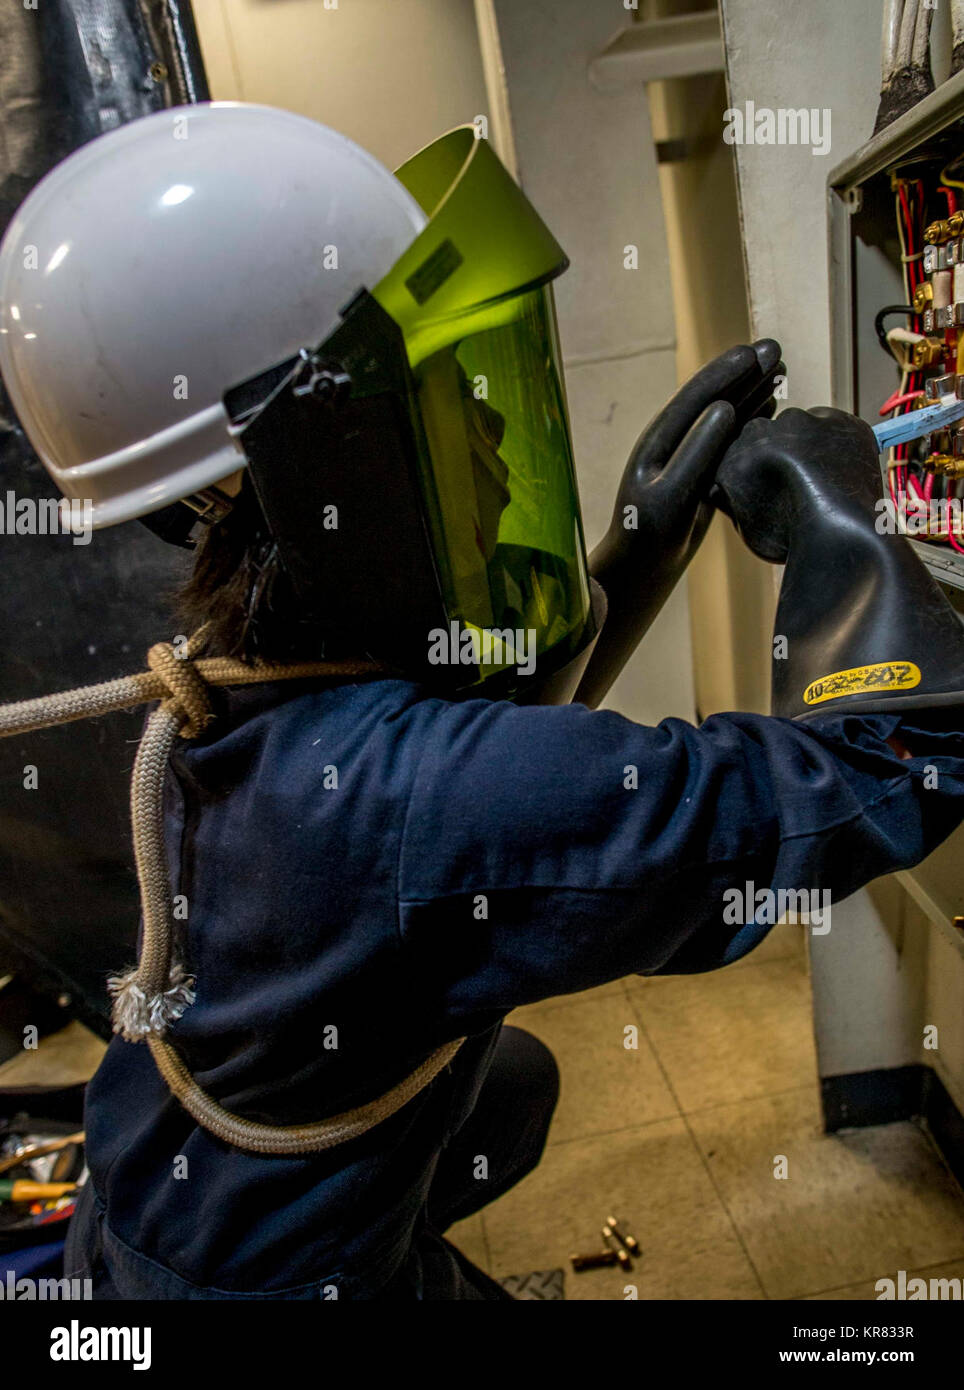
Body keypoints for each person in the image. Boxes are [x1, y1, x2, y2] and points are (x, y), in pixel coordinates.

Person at [1, 103, 963, 1301]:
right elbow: (901, 754)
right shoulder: (405, 800)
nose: (497, 415)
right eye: (450, 387)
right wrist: (846, 521)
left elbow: (460, 790)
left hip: (154, 1233)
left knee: (507, 1086)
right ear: (335, 452)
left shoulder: (236, 690)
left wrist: (634, 556)